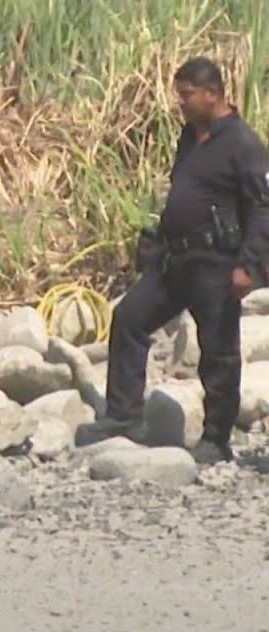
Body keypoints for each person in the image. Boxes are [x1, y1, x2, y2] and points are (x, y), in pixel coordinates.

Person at [83, 57, 268, 463]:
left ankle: (216, 438)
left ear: (212, 94)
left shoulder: (243, 145)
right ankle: (123, 416)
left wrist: (251, 267)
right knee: (130, 318)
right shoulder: (189, 136)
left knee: (218, 351)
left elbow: (261, 209)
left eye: (186, 96)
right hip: (176, 259)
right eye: (179, 95)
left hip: (217, 264)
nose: (179, 104)